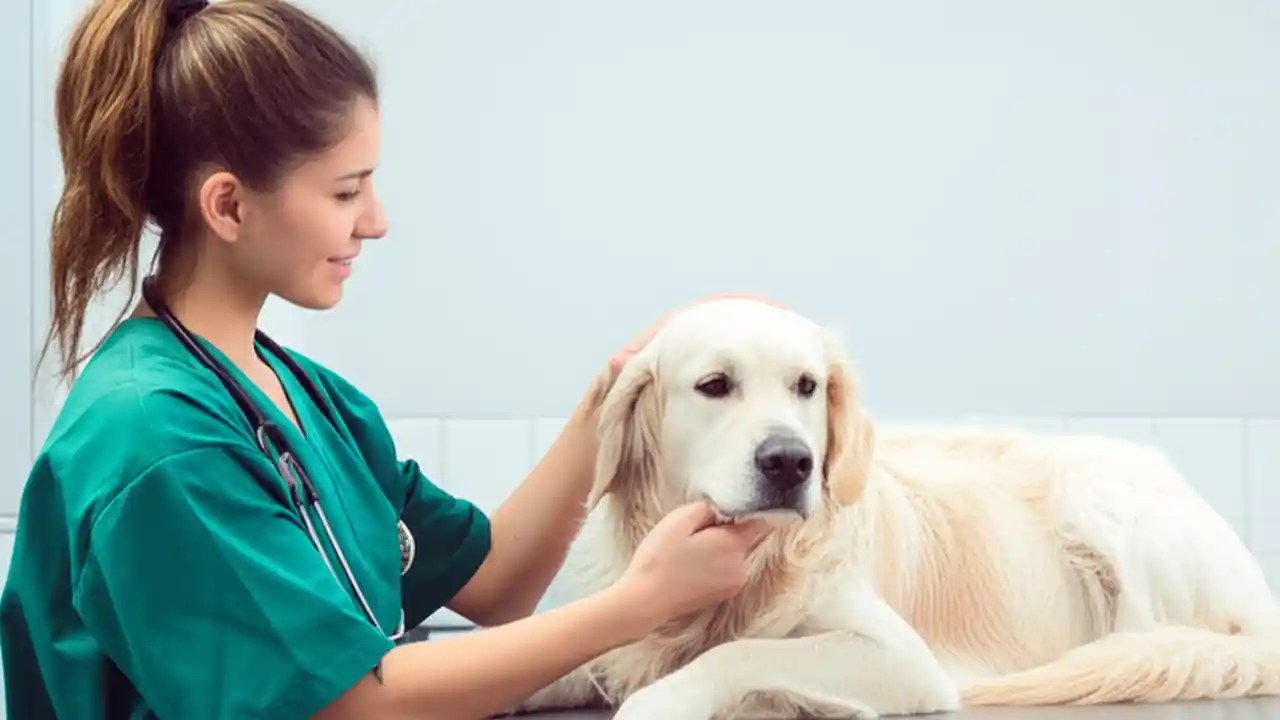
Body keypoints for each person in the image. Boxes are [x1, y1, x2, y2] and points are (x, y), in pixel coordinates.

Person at [0, 1, 774, 718]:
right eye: (346, 192)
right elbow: (350, 707)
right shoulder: (159, 444)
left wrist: (623, 385)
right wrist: (639, 605)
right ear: (230, 206)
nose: (376, 221)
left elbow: (496, 582)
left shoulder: (305, 399)